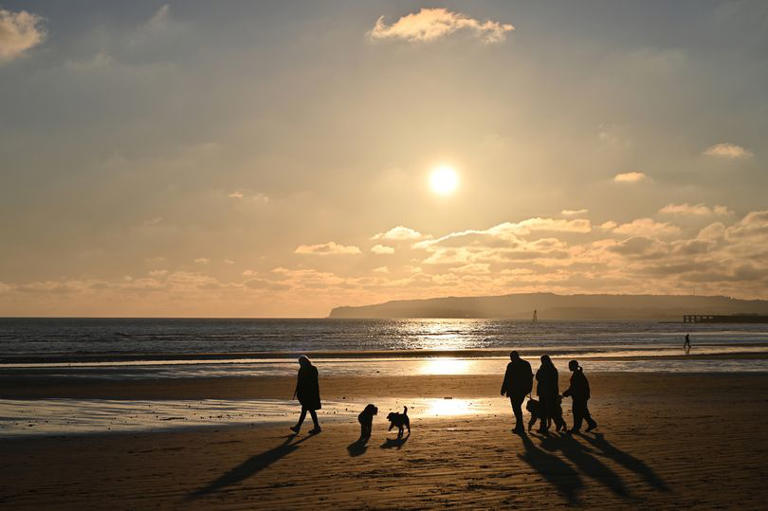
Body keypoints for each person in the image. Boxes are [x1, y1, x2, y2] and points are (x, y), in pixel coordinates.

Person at [500, 351, 533, 433]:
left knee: (516, 407)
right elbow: (507, 377)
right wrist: (503, 389)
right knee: (516, 408)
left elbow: (529, 377)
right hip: (514, 390)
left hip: (520, 390)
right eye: (510, 357)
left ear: (516, 356)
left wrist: (529, 389)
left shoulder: (524, 364)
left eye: (512, 357)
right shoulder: (517, 364)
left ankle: (520, 427)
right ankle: (519, 426)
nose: (511, 359)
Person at [562, 359, 597, 433]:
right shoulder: (578, 373)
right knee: (583, 411)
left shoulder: (577, 374)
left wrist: (566, 393)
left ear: (573, 366)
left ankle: (576, 428)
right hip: (582, 396)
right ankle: (591, 424)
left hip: (580, 396)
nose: (569, 367)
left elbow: (574, 387)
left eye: (570, 366)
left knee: (577, 412)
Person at [290, 355, 322, 434]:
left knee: (305, 410)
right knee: (310, 410)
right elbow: (299, 382)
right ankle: (316, 427)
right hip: (305, 393)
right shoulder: (303, 369)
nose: (300, 364)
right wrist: (297, 392)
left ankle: (298, 427)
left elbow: (313, 382)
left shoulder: (312, 369)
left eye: (301, 362)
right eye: (299, 362)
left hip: (310, 393)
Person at [535, 355, 559, 434]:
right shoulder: (553, 369)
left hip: (546, 392)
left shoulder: (545, 369)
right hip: (548, 392)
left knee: (545, 411)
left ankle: (544, 427)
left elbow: (538, 378)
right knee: (549, 410)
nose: (542, 362)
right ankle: (545, 427)